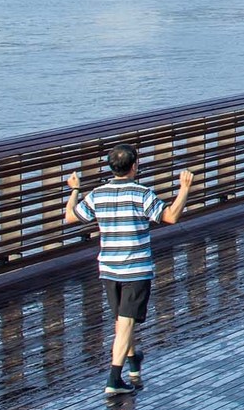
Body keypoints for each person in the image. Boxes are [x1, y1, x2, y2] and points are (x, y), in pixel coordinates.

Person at [63, 142, 194, 396]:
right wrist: (184, 190)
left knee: (123, 320)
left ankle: (134, 360)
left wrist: (75, 190)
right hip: (136, 269)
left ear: (111, 167)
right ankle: (114, 380)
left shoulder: (97, 194)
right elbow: (170, 217)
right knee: (124, 324)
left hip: (109, 268)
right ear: (134, 166)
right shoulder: (141, 193)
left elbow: (70, 216)